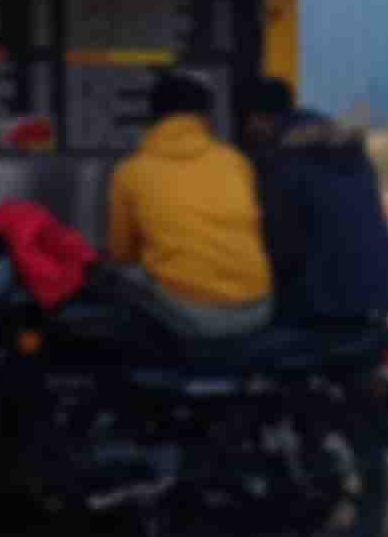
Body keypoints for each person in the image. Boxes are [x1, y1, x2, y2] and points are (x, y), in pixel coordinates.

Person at [237, 77, 388, 324]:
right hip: (379, 289)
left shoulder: (282, 162)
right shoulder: (342, 148)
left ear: (257, 119)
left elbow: (280, 243)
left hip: (328, 299)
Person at [106, 70, 273, 338]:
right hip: (257, 307)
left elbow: (122, 253)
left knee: (123, 279)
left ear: (153, 117)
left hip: (191, 315)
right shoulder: (235, 161)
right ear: (206, 117)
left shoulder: (131, 171)